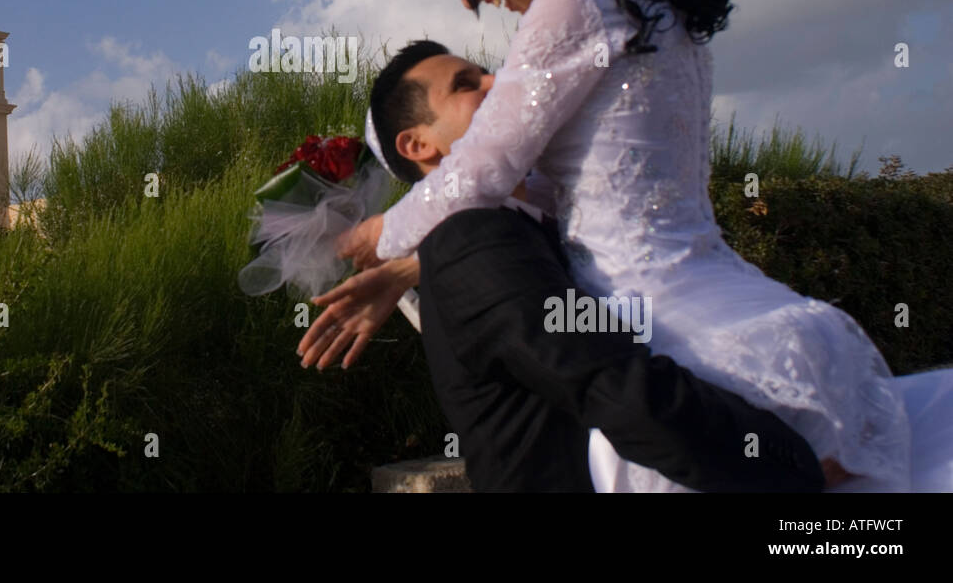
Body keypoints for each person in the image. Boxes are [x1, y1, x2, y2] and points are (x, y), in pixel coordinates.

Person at [335, 0, 949, 492]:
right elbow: (576, 185)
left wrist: (382, 232)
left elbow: (484, 169)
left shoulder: (570, 2)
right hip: (749, 308)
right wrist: (410, 268)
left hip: (666, 329)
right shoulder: (655, 2)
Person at [301, 40, 832, 491]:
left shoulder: (525, 223)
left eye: (488, 72)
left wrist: (403, 268)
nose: (496, 83)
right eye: (466, 85)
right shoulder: (473, 240)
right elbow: (617, 385)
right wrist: (791, 466)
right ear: (418, 144)